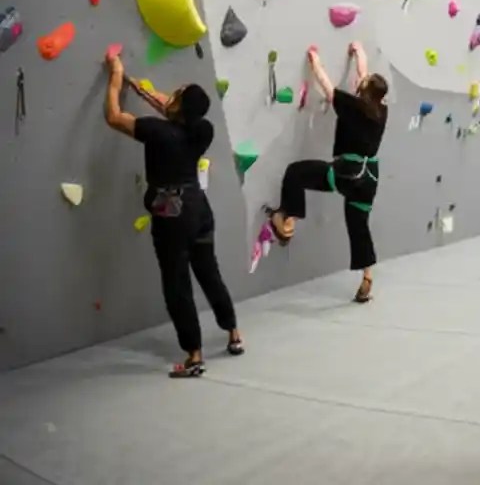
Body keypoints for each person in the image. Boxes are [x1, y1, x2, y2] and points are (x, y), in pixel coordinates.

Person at [102, 53, 242, 379]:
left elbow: (113, 116)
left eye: (176, 93)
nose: (170, 95)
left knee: (177, 283)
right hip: (199, 207)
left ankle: (194, 355)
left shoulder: (157, 131)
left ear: (177, 107)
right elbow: (171, 110)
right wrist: (138, 88)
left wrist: (116, 74)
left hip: (172, 212)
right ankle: (233, 332)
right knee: (209, 273)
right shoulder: (202, 131)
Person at [269, 42, 387, 304]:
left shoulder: (351, 105)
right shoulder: (381, 110)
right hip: (370, 178)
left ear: (363, 89)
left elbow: (327, 86)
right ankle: (367, 276)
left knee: (296, 173)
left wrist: (315, 61)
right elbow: (363, 78)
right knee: (359, 227)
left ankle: (288, 222)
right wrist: (359, 54)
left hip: (348, 172)